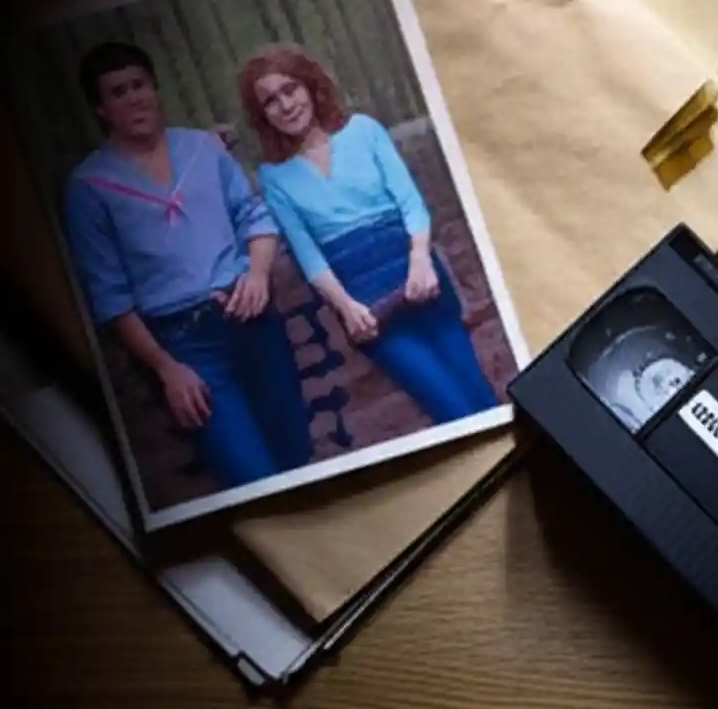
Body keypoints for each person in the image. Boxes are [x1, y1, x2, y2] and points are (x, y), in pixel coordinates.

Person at [62, 42, 312, 489]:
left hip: (254, 322)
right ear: (101, 109)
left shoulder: (202, 148)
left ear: (155, 88)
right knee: (250, 478)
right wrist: (165, 368)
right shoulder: (89, 187)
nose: (134, 98)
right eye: (118, 92)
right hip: (188, 347)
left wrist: (258, 274)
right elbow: (110, 298)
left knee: (298, 457)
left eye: (139, 85)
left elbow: (254, 215)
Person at [237, 44, 497, 425]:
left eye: (290, 89)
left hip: (421, 280)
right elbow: (308, 255)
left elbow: (410, 203)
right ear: (263, 116)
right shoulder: (273, 176)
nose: (286, 105)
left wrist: (421, 260)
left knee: (483, 401)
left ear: (310, 86)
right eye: (271, 101)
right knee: (452, 411)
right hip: (368, 308)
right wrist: (346, 307)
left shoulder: (364, 131)